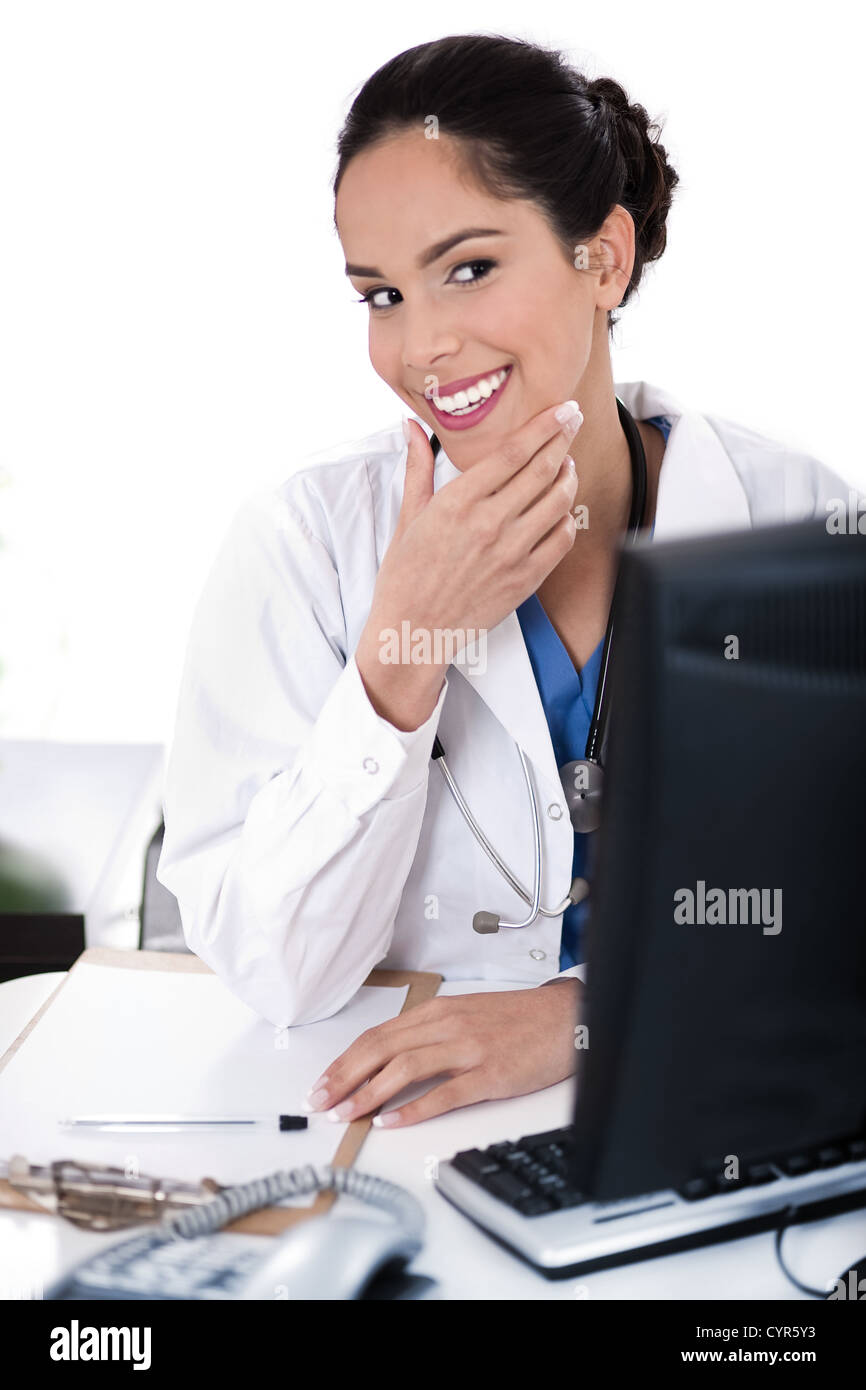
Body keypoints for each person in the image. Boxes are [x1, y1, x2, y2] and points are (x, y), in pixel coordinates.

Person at [156, 34, 849, 1129]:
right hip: (394, 1130)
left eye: (467, 268)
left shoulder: (790, 514)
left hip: (708, 1102)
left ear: (603, 261)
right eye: (379, 294)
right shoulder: (302, 541)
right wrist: (403, 647)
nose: (421, 345)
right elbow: (277, 970)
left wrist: (587, 1010)